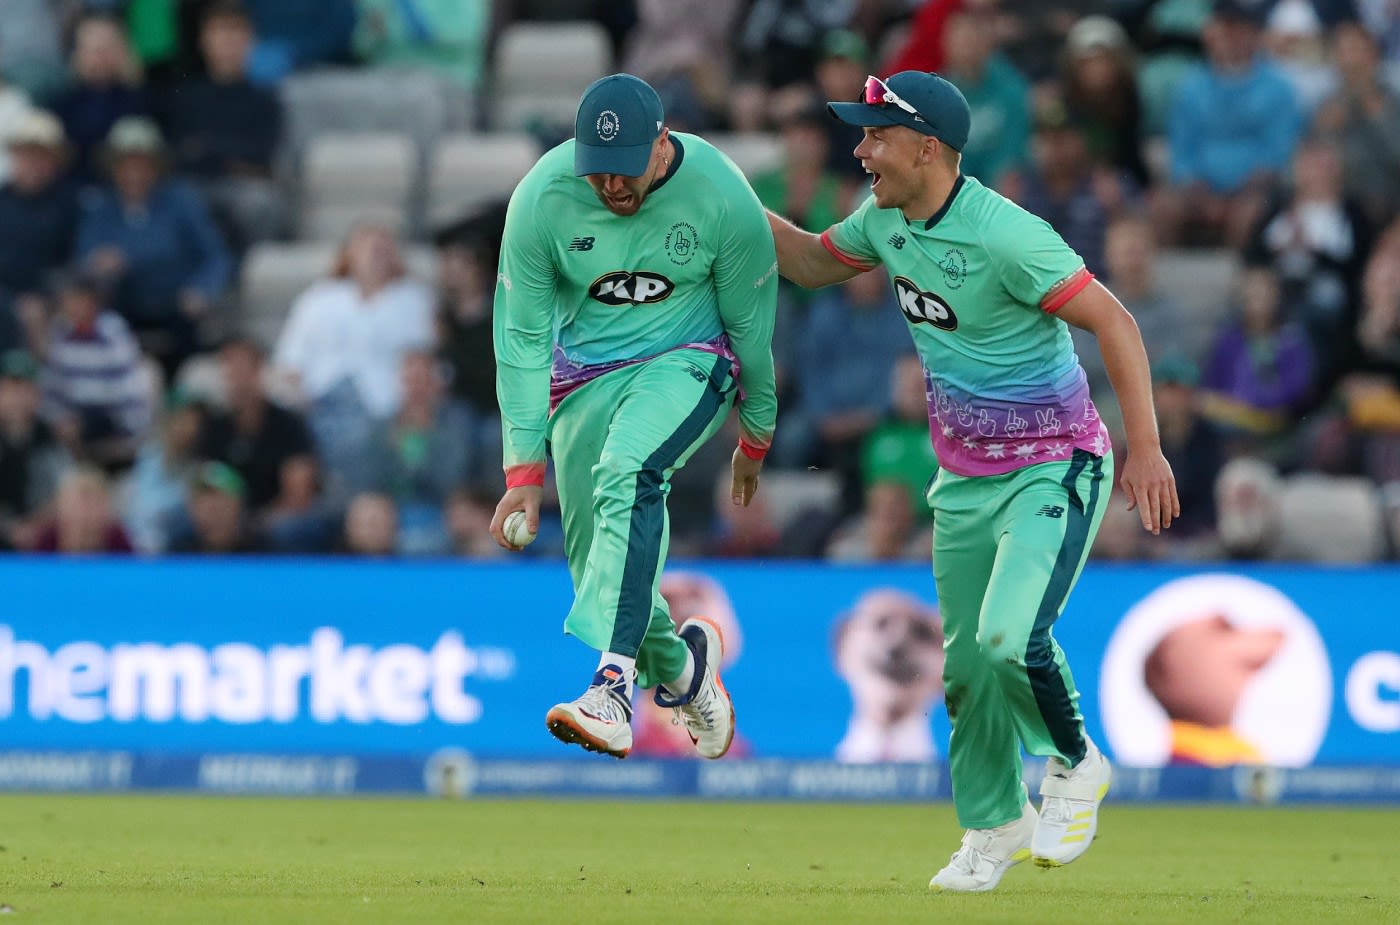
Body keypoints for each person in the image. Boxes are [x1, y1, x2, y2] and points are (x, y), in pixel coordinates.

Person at [765, 70, 1178, 891]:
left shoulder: (1007, 234)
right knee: (962, 671)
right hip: (962, 479)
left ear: (928, 149)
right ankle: (993, 825)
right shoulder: (884, 219)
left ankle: (1075, 759)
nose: (861, 149)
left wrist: (1148, 447)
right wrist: (724, 204)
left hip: (1054, 464)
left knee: (1005, 639)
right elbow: (812, 266)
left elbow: (1115, 322)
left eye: (877, 136)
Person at [490, 74, 779, 762]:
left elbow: (752, 325)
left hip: (690, 359)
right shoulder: (541, 198)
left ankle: (612, 690)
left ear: (661, 144)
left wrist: (758, 430)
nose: (612, 188)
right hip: (585, 379)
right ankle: (686, 672)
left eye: (625, 172)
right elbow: (523, 342)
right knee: (603, 566)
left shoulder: (719, 192)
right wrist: (523, 468)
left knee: (629, 467)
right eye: (598, 173)